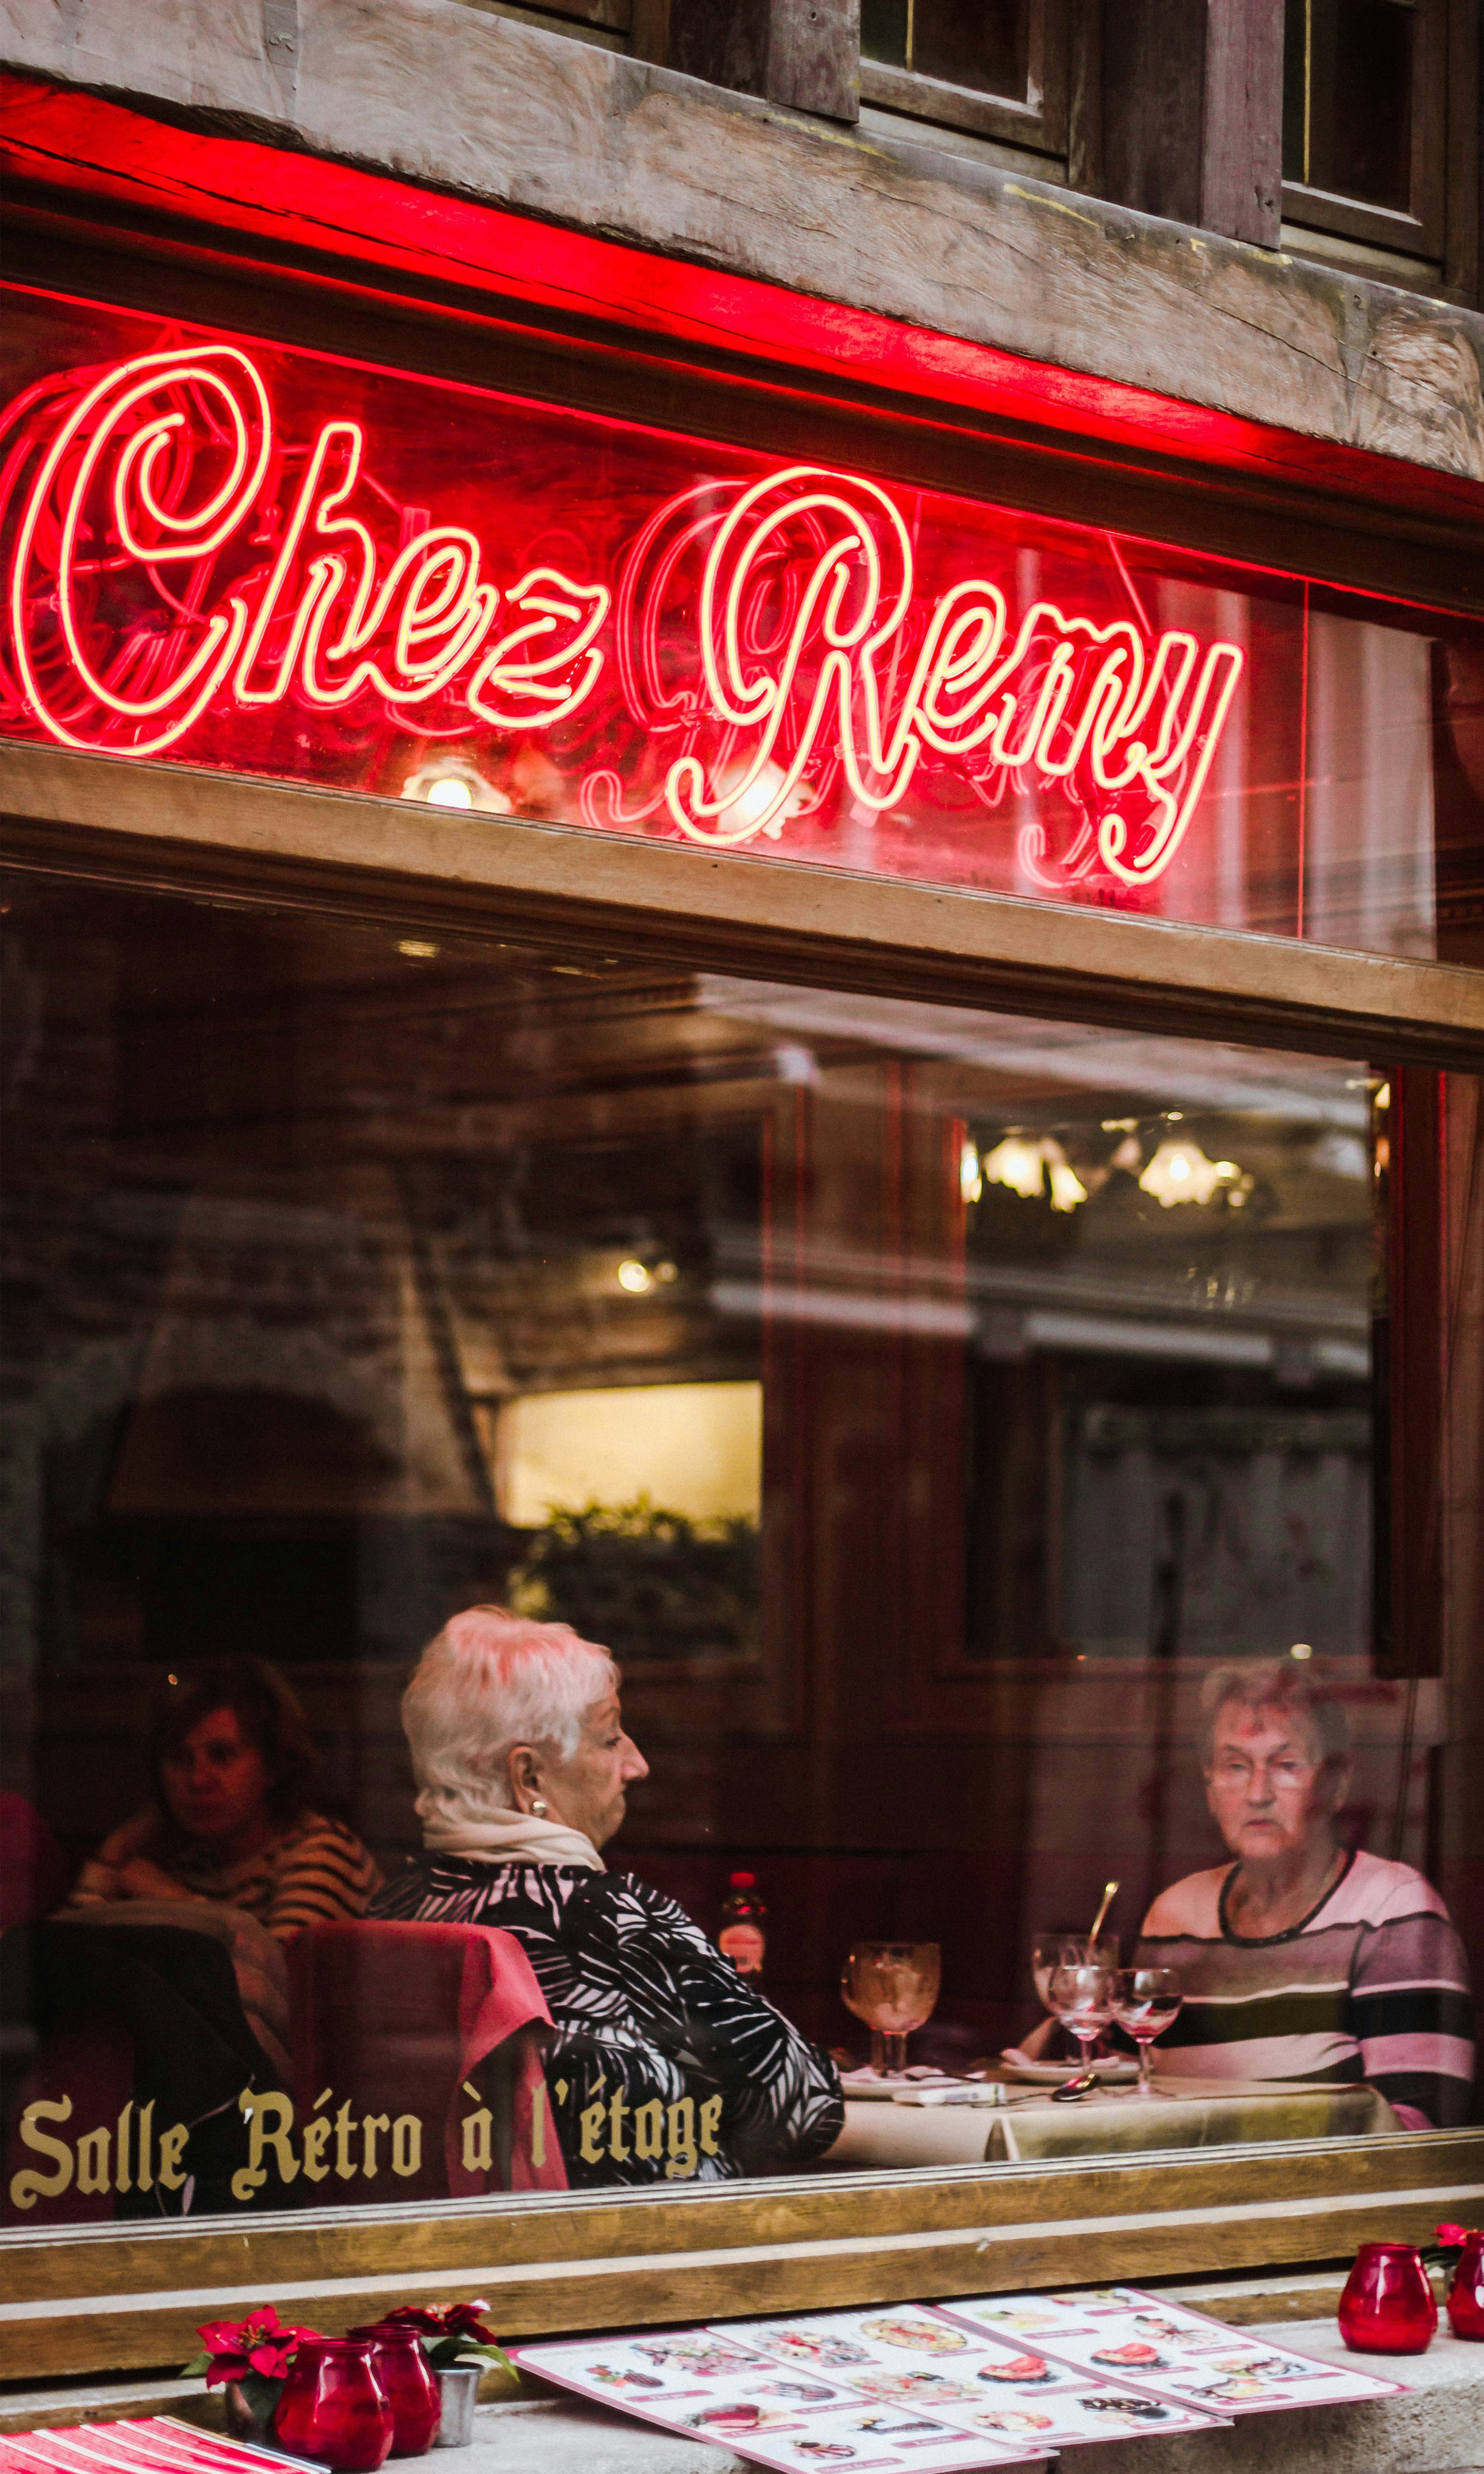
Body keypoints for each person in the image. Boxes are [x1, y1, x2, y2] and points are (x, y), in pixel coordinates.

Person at [370, 1604, 844, 2186]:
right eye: (610, 1736)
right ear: (531, 1778)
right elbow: (807, 2108)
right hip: (637, 2257)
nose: (636, 1763)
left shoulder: (397, 1906)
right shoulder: (605, 1920)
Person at [1139, 1661, 1474, 2129]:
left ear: (1337, 1784)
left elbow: (1422, 2135)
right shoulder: (1174, 1918)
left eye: (1287, 1765)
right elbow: (1121, 2086)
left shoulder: (1392, 1911)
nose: (1258, 1793)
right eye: (1235, 1766)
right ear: (1210, 1787)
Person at [67, 1658, 381, 1943]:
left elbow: (274, 1990)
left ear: (272, 1764)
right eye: (179, 1758)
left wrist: (173, 1901)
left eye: (223, 1755)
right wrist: (116, 1851)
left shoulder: (320, 1849)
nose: (198, 1780)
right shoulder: (186, 1860)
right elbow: (67, 1960)